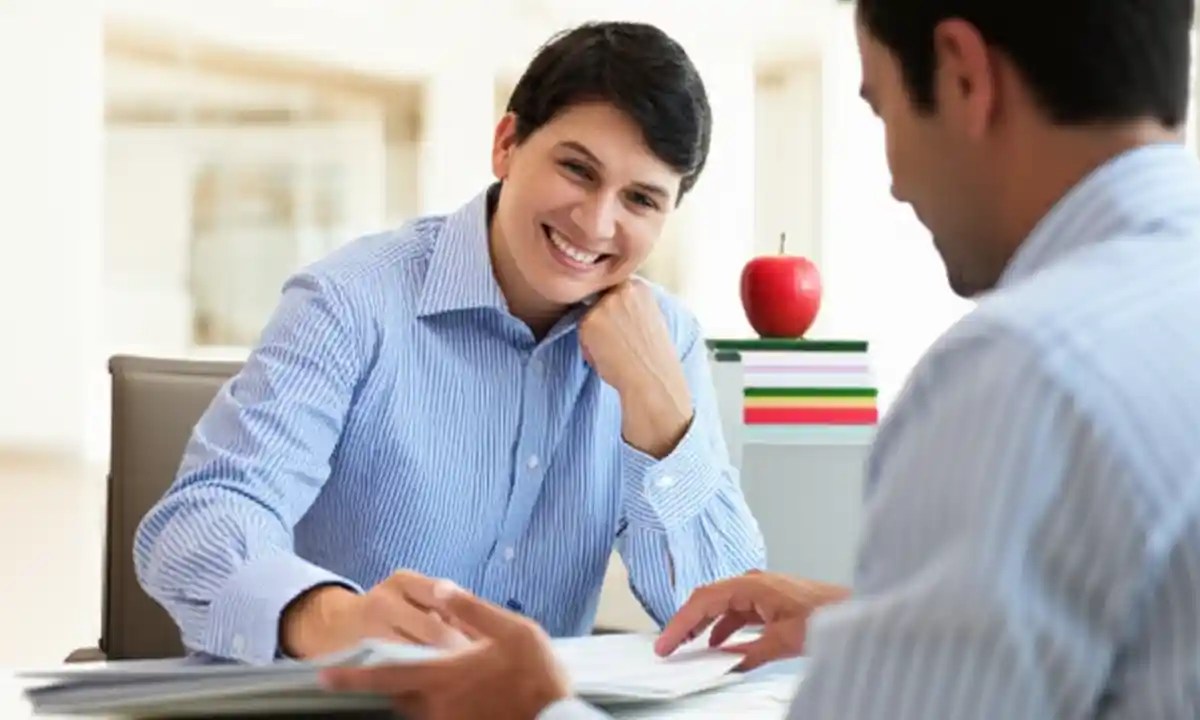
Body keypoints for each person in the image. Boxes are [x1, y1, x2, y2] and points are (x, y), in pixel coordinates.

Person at [320, 0, 1200, 717]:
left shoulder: (1021, 369)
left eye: (879, 112)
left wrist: (539, 707)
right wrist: (865, 617)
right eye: (575, 169)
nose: (897, 180)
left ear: (960, 73)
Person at [133, 21, 765, 665]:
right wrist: (332, 617)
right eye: (577, 169)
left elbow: (731, 622)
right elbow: (202, 518)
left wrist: (658, 413)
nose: (598, 222)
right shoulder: (351, 301)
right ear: (507, 144)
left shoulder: (669, 342)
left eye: (640, 199)